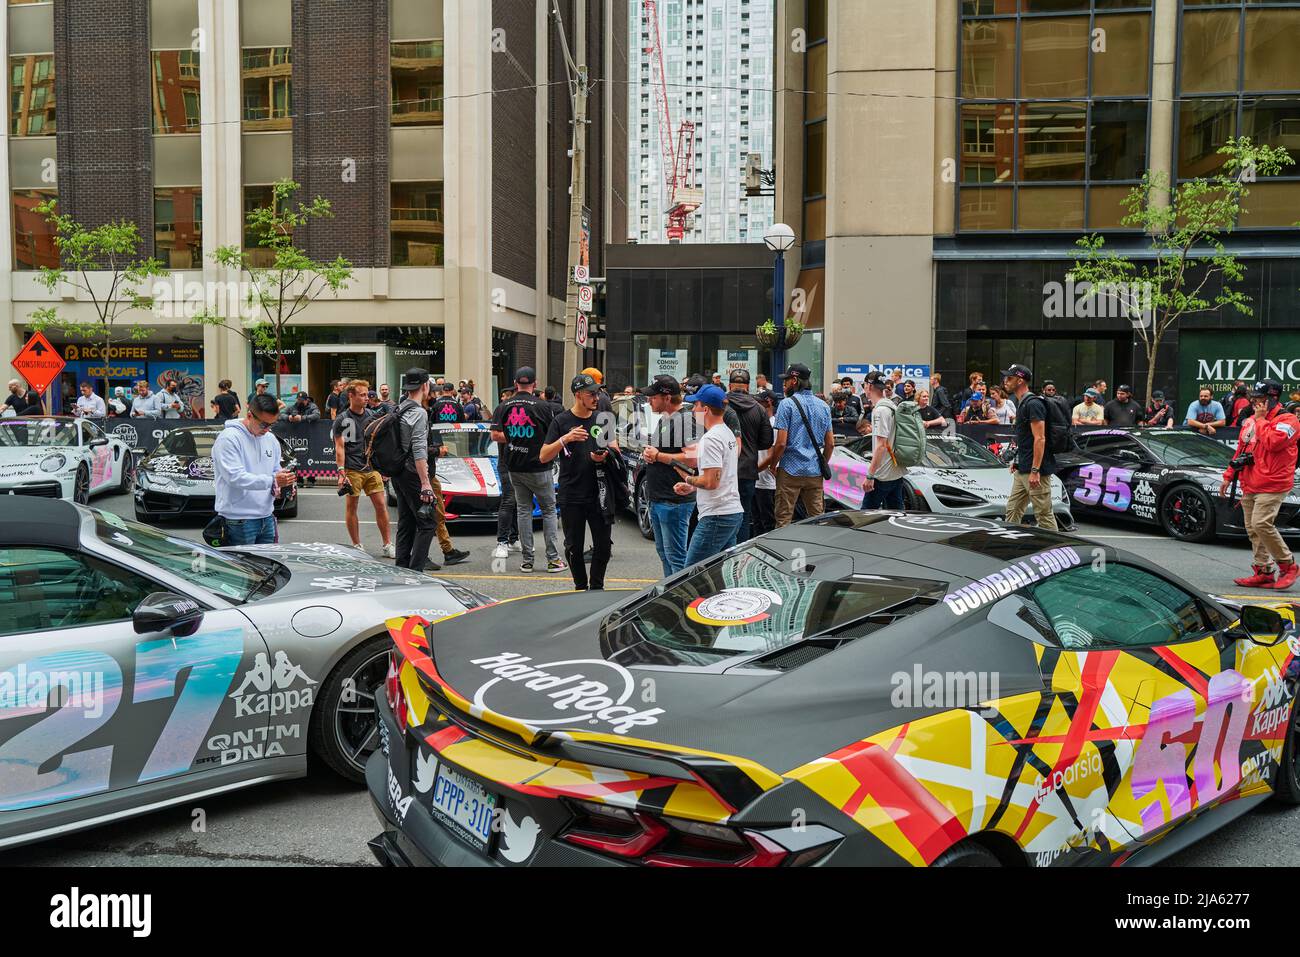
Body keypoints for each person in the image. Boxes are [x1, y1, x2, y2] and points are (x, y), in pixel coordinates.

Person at [541, 373, 618, 591]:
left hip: (600, 493)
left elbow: (615, 449)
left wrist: (604, 456)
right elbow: (543, 455)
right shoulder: (562, 421)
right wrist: (566, 438)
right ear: (578, 395)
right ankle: (580, 587)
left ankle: (596, 588)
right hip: (572, 493)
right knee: (573, 547)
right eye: (591, 394)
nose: (596, 397)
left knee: (603, 546)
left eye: (598, 393)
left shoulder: (603, 419)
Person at [1222, 381, 1300, 589]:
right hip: (1251, 482)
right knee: (1252, 529)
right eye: (1253, 397)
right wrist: (1229, 475)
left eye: (1259, 398)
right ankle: (1263, 571)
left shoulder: (1289, 420)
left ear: (1272, 398)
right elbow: (1242, 449)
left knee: (1261, 524)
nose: (1254, 400)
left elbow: (1274, 443)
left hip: (1274, 483)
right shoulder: (1250, 420)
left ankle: (1288, 565)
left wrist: (1261, 420)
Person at [491, 367, 564, 573]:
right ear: (534, 383)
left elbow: (496, 434)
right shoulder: (542, 406)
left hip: (514, 465)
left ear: (516, 383)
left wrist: (516, 439)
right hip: (538, 465)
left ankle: (527, 560)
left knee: (523, 511)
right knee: (549, 510)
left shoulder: (504, 405)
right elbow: (553, 433)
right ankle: (552, 559)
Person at [212, 394, 297, 546]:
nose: (268, 429)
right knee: (243, 569)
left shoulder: (271, 439)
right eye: (264, 424)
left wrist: (284, 482)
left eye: (272, 424)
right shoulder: (229, 439)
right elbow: (235, 477)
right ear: (250, 415)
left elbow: (276, 470)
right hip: (238, 519)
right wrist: (273, 480)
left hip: (267, 516)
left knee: (268, 567)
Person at [674, 385, 744, 565]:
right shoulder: (727, 433)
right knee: (721, 572)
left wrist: (688, 478)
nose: (693, 409)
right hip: (731, 511)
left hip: (717, 515)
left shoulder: (711, 438)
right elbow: (720, 477)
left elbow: (711, 482)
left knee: (690, 574)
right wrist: (693, 486)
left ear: (705, 409)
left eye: (695, 405)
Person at [640, 374, 700, 577]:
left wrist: (658, 455)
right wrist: (651, 454)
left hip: (674, 500)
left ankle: (682, 601)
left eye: (653, 397)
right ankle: (672, 596)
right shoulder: (667, 419)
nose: (649, 401)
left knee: (676, 556)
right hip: (660, 497)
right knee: (665, 553)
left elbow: (693, 458)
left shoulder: (685, 419)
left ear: (666, 397)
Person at [763, 363, 833, 528]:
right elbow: (830, 444)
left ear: (794, 380)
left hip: (789, 470)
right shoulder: (823, 406)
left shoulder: (787, 404)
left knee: (783, 520)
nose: (784, 384)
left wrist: (773, 464)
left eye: (786, 380)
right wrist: (823, 462)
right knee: (818, 519)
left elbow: (780, 443)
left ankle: (784, 552)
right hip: (815, 471)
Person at [333, 380, 394, 558]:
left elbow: (380, 443)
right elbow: (339, 447)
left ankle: (387, 544)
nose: (366, 398)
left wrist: (383, 468)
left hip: (372, 467)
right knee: (352, 507)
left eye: (367, 394)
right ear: (351, 396)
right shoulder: (342, 419)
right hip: (352, 469)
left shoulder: (372, 415)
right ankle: (357, 545)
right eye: (362, 395)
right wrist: (341, 472)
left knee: (381, 505)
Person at [391, 369, 440, 572]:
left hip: (398, 473)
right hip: (413, 473)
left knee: (406, 522)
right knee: (428, 522)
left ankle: (402, 569)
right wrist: (426, 483)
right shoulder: (419, 413)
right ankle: (415, 572)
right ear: (425, 386)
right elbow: (419, 451)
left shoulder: (399, 408)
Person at [1002, 364, 1057, 531]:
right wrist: (1017, 461)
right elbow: (1025, 438)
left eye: (1009, 378)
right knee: (1012, 511)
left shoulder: (1033, 404)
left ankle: (1056, 550)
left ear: (1020, 380)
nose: (1005, 381)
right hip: (1023, 468)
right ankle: (1009, 542)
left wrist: (1035, 470)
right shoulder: (1022, 403)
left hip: (1035, 471)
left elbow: (1040, 439)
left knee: (1043, 514)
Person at [859, 370, 908, 509]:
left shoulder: (880, 411)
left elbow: (880, 446)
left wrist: (870, 476)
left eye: (864, 385)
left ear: (869, 386)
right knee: (896, 516)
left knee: (865, 518)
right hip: (895, 470)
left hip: (882, 475)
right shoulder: (892, 406)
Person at [751, 389, 778, 537]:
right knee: (756, 523)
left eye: (758, 402)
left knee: (768, 524)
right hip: (756, 481)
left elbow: (771, 456)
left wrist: (753, 471)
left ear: (768, 403)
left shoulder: (774, 425)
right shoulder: (759, 422)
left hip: (767, 483)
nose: (755, 405)